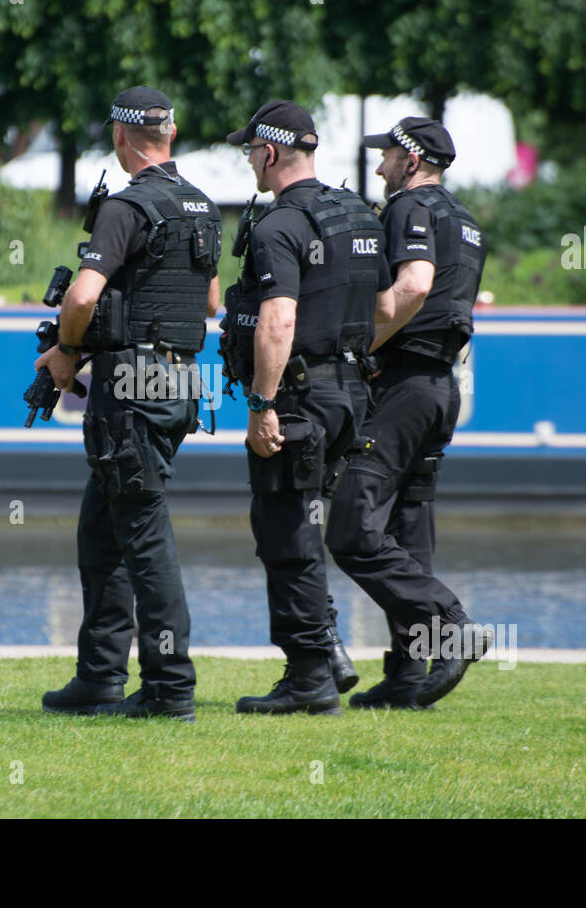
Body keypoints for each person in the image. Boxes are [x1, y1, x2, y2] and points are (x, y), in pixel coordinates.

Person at [38, 86, 221, 723]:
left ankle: (170, 686)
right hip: (179, 382)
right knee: (102, 529)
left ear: (120, 135)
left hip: (130, 390)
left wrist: (66, 350)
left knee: (144, 535)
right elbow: (210, 302)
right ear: (170, 133)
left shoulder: (126, 206)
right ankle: (99, 677)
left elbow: (82, 296)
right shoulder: (202, 206)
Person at [221, 100, 386, 715]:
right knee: (304, 527)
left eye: (250, 151)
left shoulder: (279, 226)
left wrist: (262, 404)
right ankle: (328, 652)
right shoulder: (358, 214)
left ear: (269, 151)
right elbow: (390, 302)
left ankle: (309, 677)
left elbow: (278, 320)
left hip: (298, 398)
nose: (249, 162)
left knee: (284, 531)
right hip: (350, 395)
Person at [326, 117, 492, 709]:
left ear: (413, 160)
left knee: (351, 530)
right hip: (441, 388)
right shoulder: (466, 221)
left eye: (388, 156)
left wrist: (355, 348)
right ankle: (406, 675)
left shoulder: (408, 207)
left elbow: (415, 286)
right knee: (408, 531)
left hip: (401, 387)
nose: (379, 167)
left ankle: (450, 625)